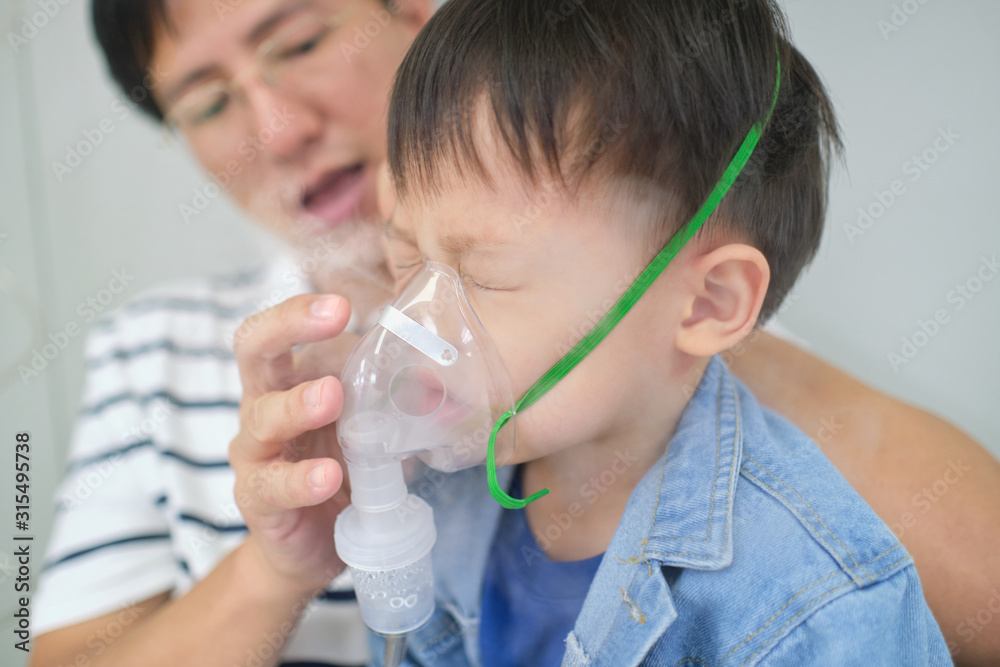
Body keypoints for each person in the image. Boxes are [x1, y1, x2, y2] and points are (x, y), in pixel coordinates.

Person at [26, 0, 1000, 665]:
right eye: (206, 102)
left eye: (300, 42)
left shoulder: (673, 360)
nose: (275, 127)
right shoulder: (150, 350)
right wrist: (280, 564)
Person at [367, 0, 951, 663]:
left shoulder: (815, 610)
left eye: (485, 275)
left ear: (706, 304)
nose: (419, 325)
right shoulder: (439, 494)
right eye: (407, 260)